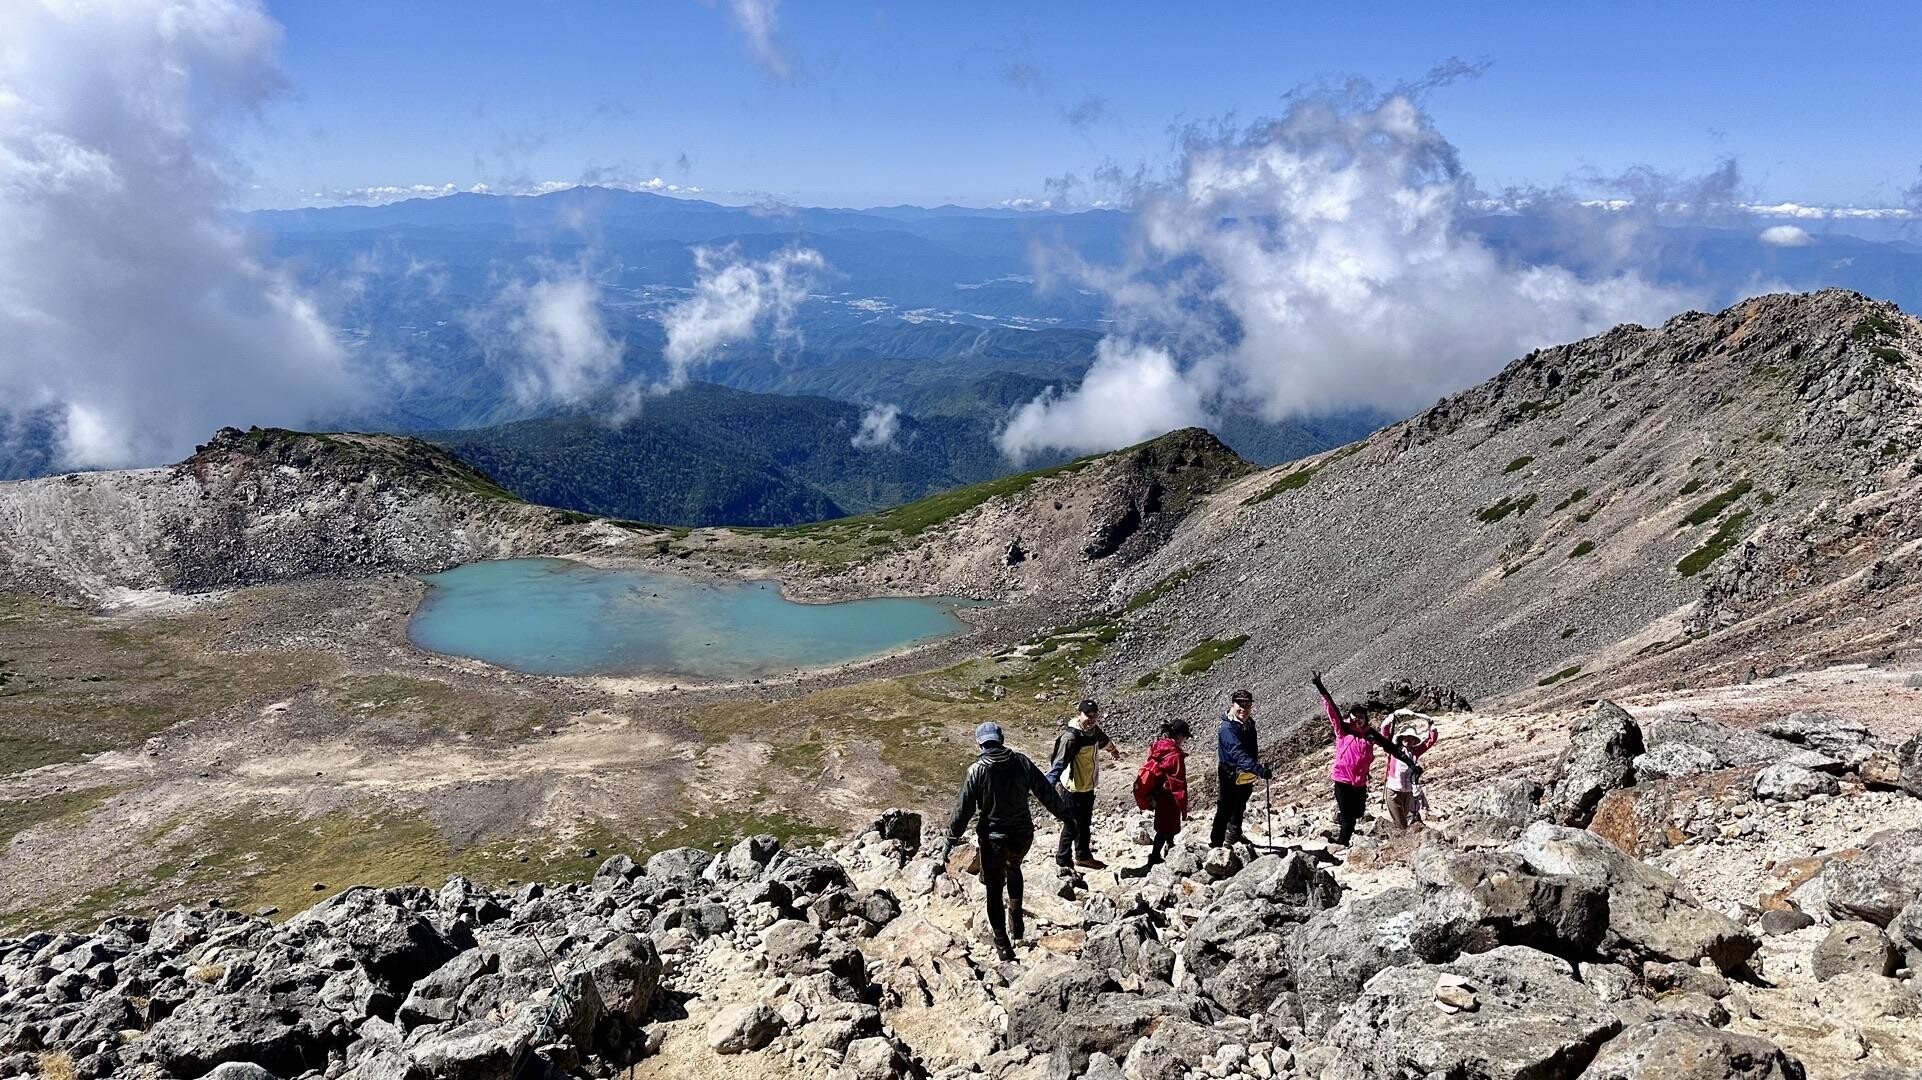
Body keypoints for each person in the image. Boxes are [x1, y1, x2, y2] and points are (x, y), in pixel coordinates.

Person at [942, 721, 1070, 962]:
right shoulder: (1021, 761)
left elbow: (963, 810)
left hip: (993, 840)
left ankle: (1002, 945)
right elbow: (1045, 791)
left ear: (979, 742)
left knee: (993, 889)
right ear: (1001, 739)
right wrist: (1066, 817)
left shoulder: (976, 770)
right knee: (1015, 867)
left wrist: (950, 838)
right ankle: (1016, 917)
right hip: (1022, 836)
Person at [1046, 699, 1122, 871]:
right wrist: (1048, 785)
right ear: (1078, 714)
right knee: (1072, 824)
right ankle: (1063, 861)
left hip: (1087, 786)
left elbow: (1104, 741)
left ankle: (1083, 856)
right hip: (1072, 788)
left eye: (1095, 716)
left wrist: (1113, 750)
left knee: (1085, 823)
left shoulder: (1093, 731)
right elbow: (1059, 763)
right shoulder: (1071, 737)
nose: (1092, 719)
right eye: (1088, 715)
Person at [1126, 718, 1190, 876]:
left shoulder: (1159, 746)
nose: (1185, 740)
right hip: (1169, 797)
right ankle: (1155, 857)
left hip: (1158, 796)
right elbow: (1178, 782)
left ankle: (1169, 850)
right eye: (1185, 737)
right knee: (1166, 828)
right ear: (1179, 735)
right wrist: (1183, 806)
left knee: (1163, 826)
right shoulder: (1175, 754)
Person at [1210, 689, 1269, 848]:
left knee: (1240, 804)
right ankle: (1216, 843)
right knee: (1225, 807)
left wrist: (1253, 768)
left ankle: (1234, 835)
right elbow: (1237, 753)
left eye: (1247, 704)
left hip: (1245, 772)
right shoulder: (1227, 727)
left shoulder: (1248, 722)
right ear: (1232, 704)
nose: (1244, 708)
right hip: (1229, 772)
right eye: (1240, 704)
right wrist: (1258, 769)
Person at [1382, 710, 1438, 828]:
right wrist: (1391, 718)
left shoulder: (1415, 752)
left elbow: (1431, 740)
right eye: (1406, 738)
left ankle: (1400, 841)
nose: (1408, 740)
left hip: (1408, 792)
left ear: (1414, 740)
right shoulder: (1393, 750)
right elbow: (1385, 733)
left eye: (1411, 738)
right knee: (1401, 823)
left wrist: (1431, 723)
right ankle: (1402, 842)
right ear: (1401, 738)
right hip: (1393, 790)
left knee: (1403, 821)